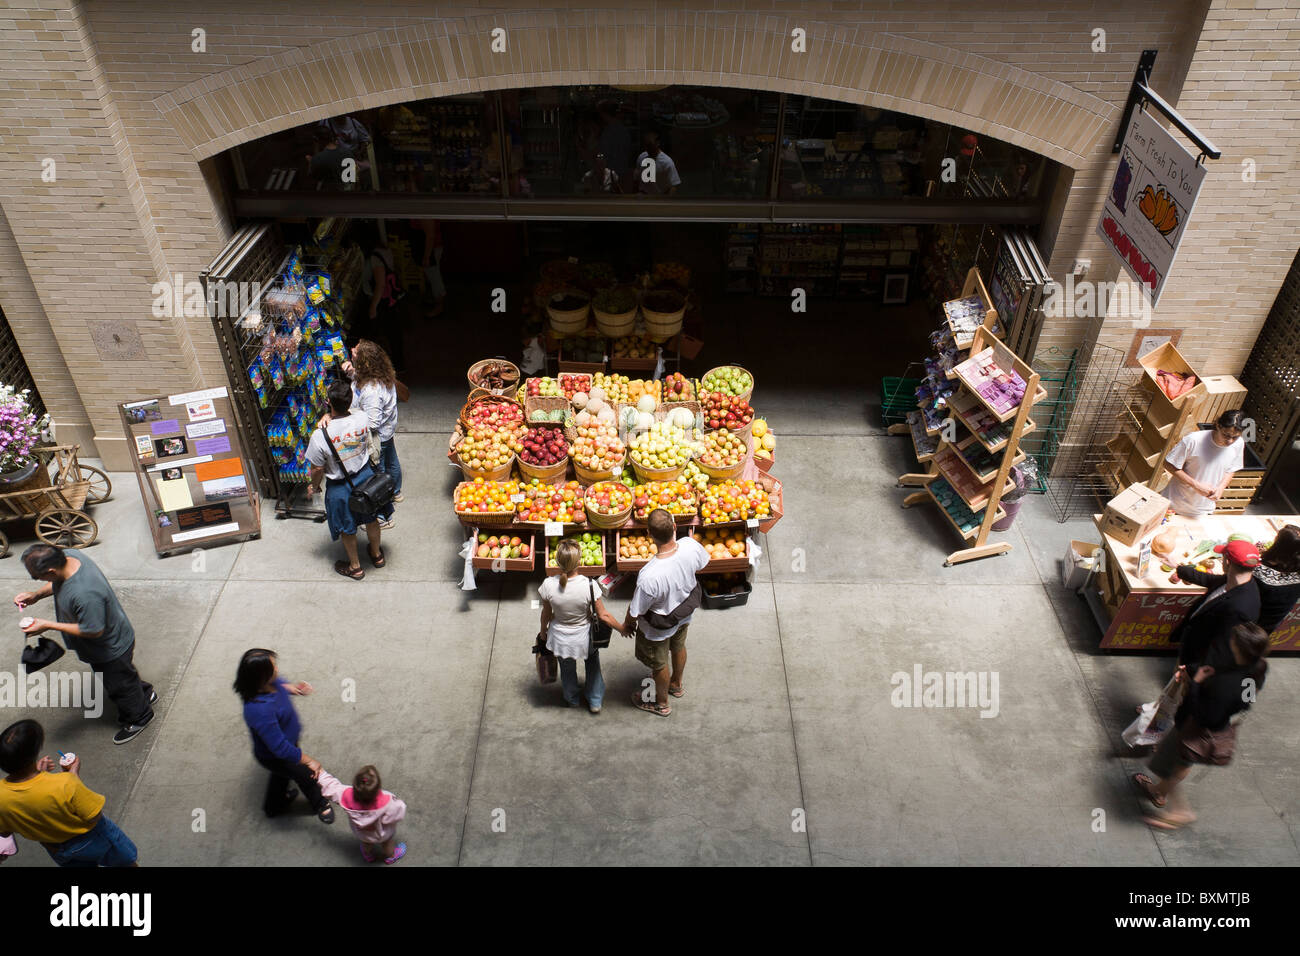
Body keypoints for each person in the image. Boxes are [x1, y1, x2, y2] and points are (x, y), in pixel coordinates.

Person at [15, 544, 156, 745]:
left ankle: (140, 717)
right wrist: (36, 595)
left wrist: (47, 625)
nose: (37, 580)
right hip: (116, 634)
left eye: (38, 577)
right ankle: (145, 693)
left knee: (118, 685)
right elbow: (57, 584)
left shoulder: (85, 593)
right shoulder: (70, 557)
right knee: (124, 676)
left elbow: (93, 630)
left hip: (108, 649)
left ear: (51, 571)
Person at [1133, 622, 1269, 830]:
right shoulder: (1257, 667)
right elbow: (1246, 701)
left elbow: (1204, 716)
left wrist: (1196, 683)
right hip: (1220, 726)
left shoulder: (1227, 684)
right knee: (1183, 762)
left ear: (1237, 647)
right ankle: (1158, 792)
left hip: (1193, 728)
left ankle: (1180, 811)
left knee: (1166, 763)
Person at [0, 720, 139, 866]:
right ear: (36, 750)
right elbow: (94, 816)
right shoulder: (66, 783)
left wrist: (38, 774)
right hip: (92, 839)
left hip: (56, 849)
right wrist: (74, 776)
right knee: (124, 861)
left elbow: (5, 831)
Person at [623, 509, 710, 716]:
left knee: (659, 663)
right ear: (674, 527)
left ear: (649, 534)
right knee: (678, 646)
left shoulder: (649, 575)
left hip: (659, 626)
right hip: (684, 612)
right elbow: (702, 564)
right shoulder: (690, 545)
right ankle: (676, 685)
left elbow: (636, 609)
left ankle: (661, 704)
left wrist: (628, 624)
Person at [234, 649, 334, 825]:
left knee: (280, 777)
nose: (277, 671)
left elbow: (280, 684)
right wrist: (309, 761)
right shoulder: (259, 710)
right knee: (306, 775)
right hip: (277, 754)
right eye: (273, 668)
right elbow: (280, 748)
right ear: (262, 677)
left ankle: (273, 806)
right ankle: (320, 803)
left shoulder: (268, 683)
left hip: (287, 744)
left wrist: (294, 689)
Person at [307, 379, 388, 580]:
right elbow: (349, 416)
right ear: (351, 400)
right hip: (366, 477)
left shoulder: (320, 435)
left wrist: (314, 487)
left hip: (339, 487)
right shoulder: (362, 418)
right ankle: (377, 555)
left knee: (347, 527)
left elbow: (317, 468)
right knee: (372, 518)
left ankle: (355, 567)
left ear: (328, 402)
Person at [538, 539, 624, 714]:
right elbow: (603, 615)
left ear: (557, 562)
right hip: (585, 638)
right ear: (580, 562)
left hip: (561, 639)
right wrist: (622, 629)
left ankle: (572, 699)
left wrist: (543, 632)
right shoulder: (589, 586)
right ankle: (595, 701)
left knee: (567, 668)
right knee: (592, 664)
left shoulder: (548, 585)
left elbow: (546, 614)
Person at [1167, 539, 1262, 671]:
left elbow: (1222, 648)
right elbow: (1208, 579)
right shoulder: (1234, 579)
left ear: (1227, 562)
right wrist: (1179, 568)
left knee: (1179, 689)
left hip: (1198, 660)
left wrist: (1192, 670)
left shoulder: (1241, 609)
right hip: (1191, 642)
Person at [342, 339, 403, 522]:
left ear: (363, 362)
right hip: (388, 431)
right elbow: (362, 381)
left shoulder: (372, 392)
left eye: (355, 352)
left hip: (377, 437)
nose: (352, 350)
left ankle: (384, 516)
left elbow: (373, 422)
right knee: (392, 461)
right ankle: (396, 491)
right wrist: (353, 373)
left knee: (379, 473)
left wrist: (350, 423)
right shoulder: (380, 374)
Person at [316, 764, 407, 864]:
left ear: (355, 786)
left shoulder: (345, 795)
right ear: (377, 789)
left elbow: (332, 787)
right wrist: (398, 802)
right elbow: (397, 813)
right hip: (382, 833)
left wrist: (321, 774)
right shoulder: (387, 801)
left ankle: (368, 855)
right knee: (387, 843)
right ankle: (391, 856)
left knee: (366, 843)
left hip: (362, 833)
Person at [1163, 410, 1247, 518]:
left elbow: (1231, 469)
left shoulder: (1239, 444)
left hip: (1203, 510)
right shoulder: (1193, 440)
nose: (1230, 441)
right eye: (1226, 435)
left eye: (1235, 437)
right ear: (1218, 425)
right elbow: (1168, 464)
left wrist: (1221, 488)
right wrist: (1196, 485)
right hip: (1174, 505)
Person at [358, 226, 405, 374]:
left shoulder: (374, 258)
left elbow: (380, 284)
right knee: (394, 335)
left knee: (389, 335)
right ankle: (399, 364)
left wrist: (373, 307)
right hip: (391, 300)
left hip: (384, 302)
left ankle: (395, 366)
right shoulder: (385, 250)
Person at [1254, 524, 1300, 633]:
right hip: (1277, 626)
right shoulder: (1297, 570)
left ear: (1277, 544)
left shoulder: (1260, 571)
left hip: (1254, 624)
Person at [410, 218, 446, 317]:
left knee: (434, 278)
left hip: (430, 249)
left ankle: (439, 306)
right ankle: (437, 301)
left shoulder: (425, 214)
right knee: (432, 276)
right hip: (429, 248)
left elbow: (430, 236)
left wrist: (427, 256)